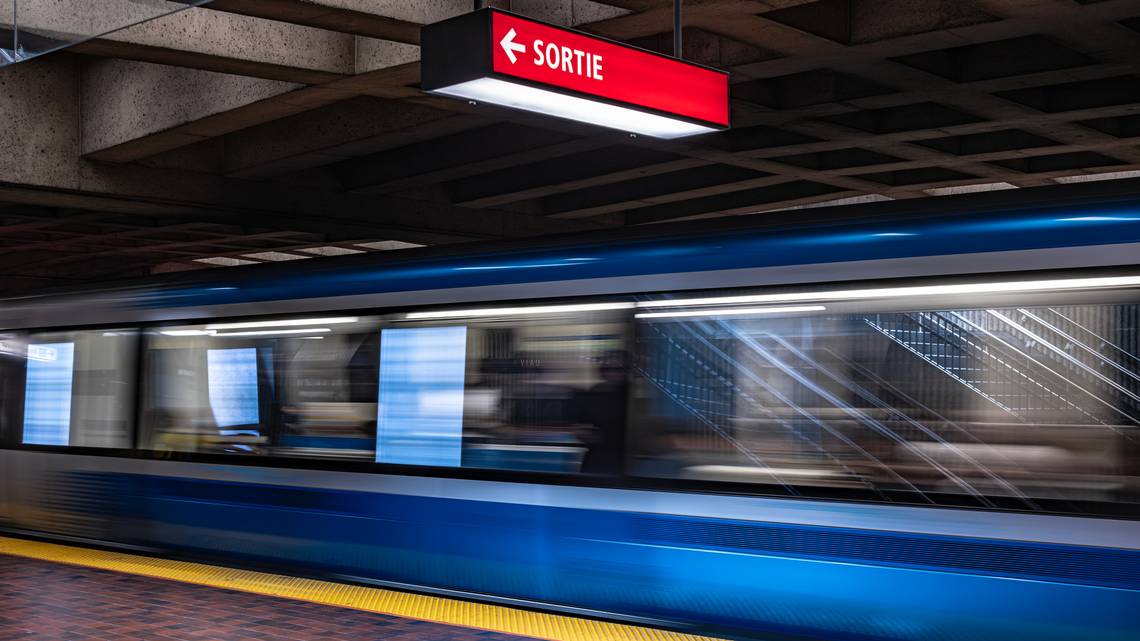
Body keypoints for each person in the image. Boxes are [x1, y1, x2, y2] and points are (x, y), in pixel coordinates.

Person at [575, 350, 629, 475]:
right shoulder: (596, 391)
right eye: (608, 369)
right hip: (597, 458)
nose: (613, 374)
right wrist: (583, 433)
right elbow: (583, 422)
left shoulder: (630, 394)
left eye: (618, 369)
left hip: (620, 459)